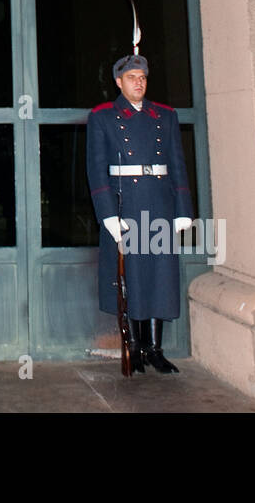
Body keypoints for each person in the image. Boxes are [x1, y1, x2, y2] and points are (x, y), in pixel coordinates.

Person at [87, 53, 193, 373]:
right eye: (132, 78)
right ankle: (133, 347)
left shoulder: (165, 115)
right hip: (126, 204)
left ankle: (154, 349)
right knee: (130, 278)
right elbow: (96, 169)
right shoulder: (103, 116)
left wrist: (183, 209)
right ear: (119, 82)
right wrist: (108, 215)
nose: (139, 83)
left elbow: (177, 164)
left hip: (160, 202)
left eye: (143, 78)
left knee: (160, 276)